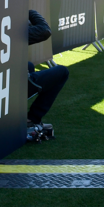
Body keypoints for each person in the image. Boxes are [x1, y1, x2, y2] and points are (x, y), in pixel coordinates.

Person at [26, 9, 69, 142]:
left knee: (29, 65)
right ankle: (32, 119)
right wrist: (28, 11)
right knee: (62, 72)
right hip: (11, 84)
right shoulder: (9, 30)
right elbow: (45, 30)